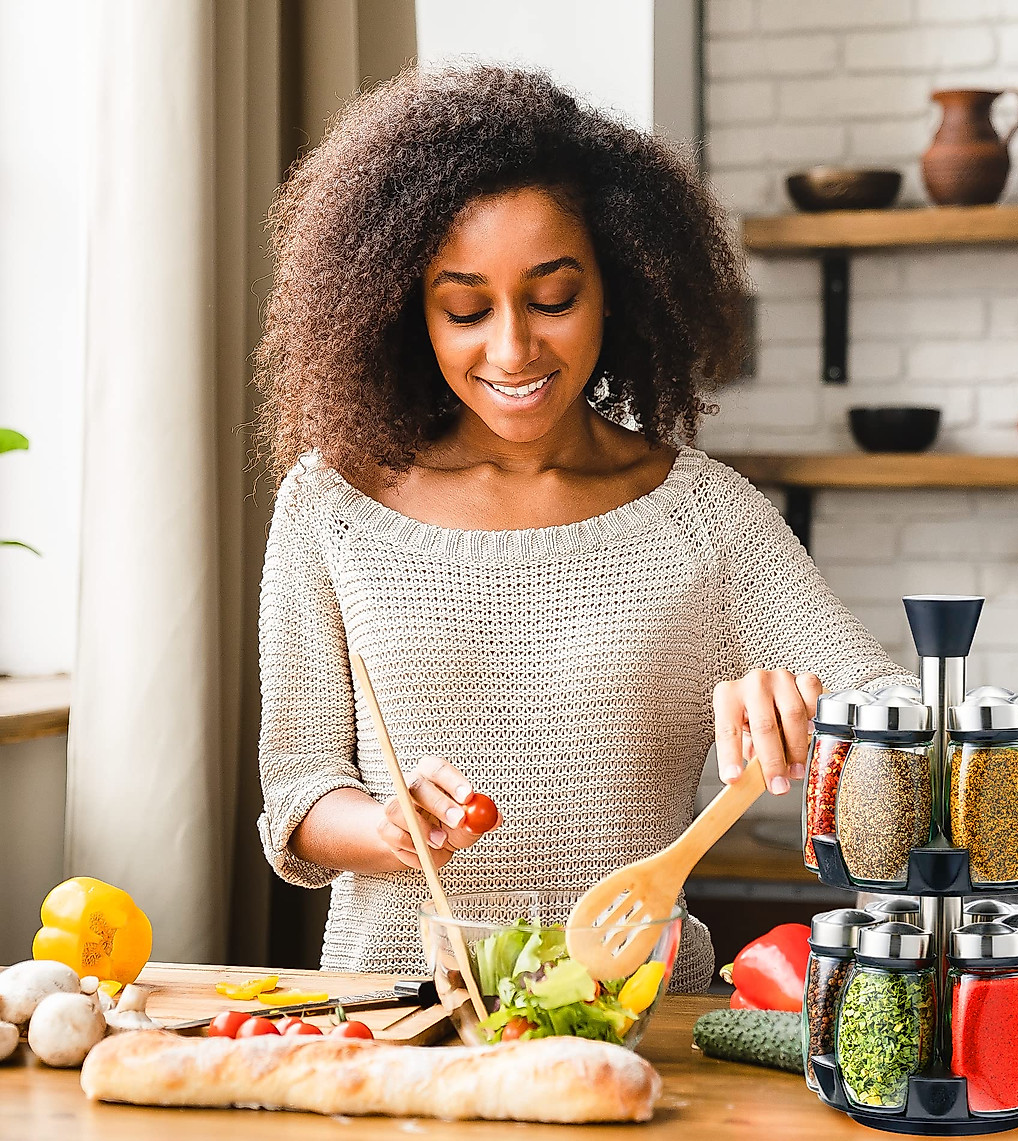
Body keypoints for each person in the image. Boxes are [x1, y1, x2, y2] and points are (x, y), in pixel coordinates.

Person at [254, 65, 909, 990]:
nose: (513, 348)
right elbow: (297, 793)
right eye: (465, 309)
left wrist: (810, 711)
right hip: (402, 1016)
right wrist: (387, 826)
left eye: (553, 299)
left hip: (639, 1017)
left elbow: (895, 714)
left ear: (618, 287)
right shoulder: (332, 504)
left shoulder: (703, 517)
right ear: (408, 310)